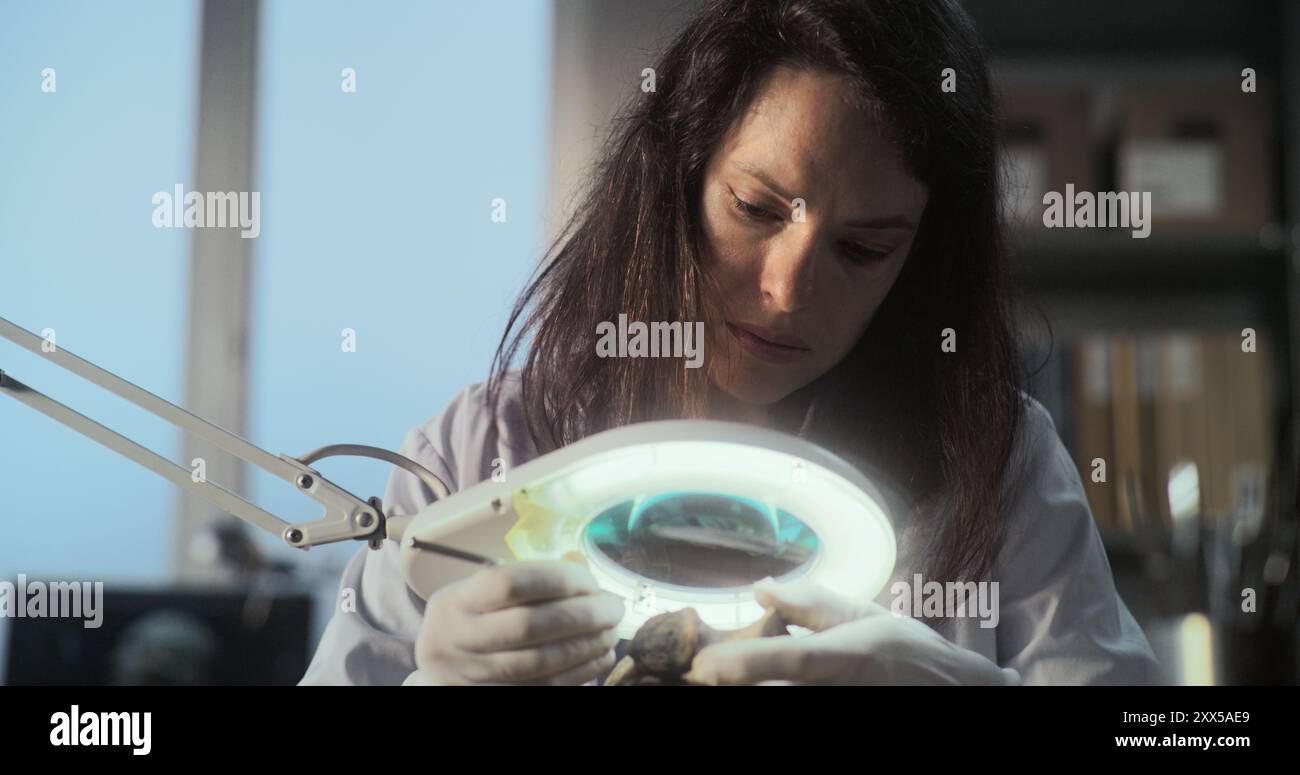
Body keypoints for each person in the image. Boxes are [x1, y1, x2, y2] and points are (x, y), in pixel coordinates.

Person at [300, 0, 1162, 686]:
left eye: (863, 249)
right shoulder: (482, 448)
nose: (788, 290)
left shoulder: (998, 465)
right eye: (755, 209)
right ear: (675, 181)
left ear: (920, 264)